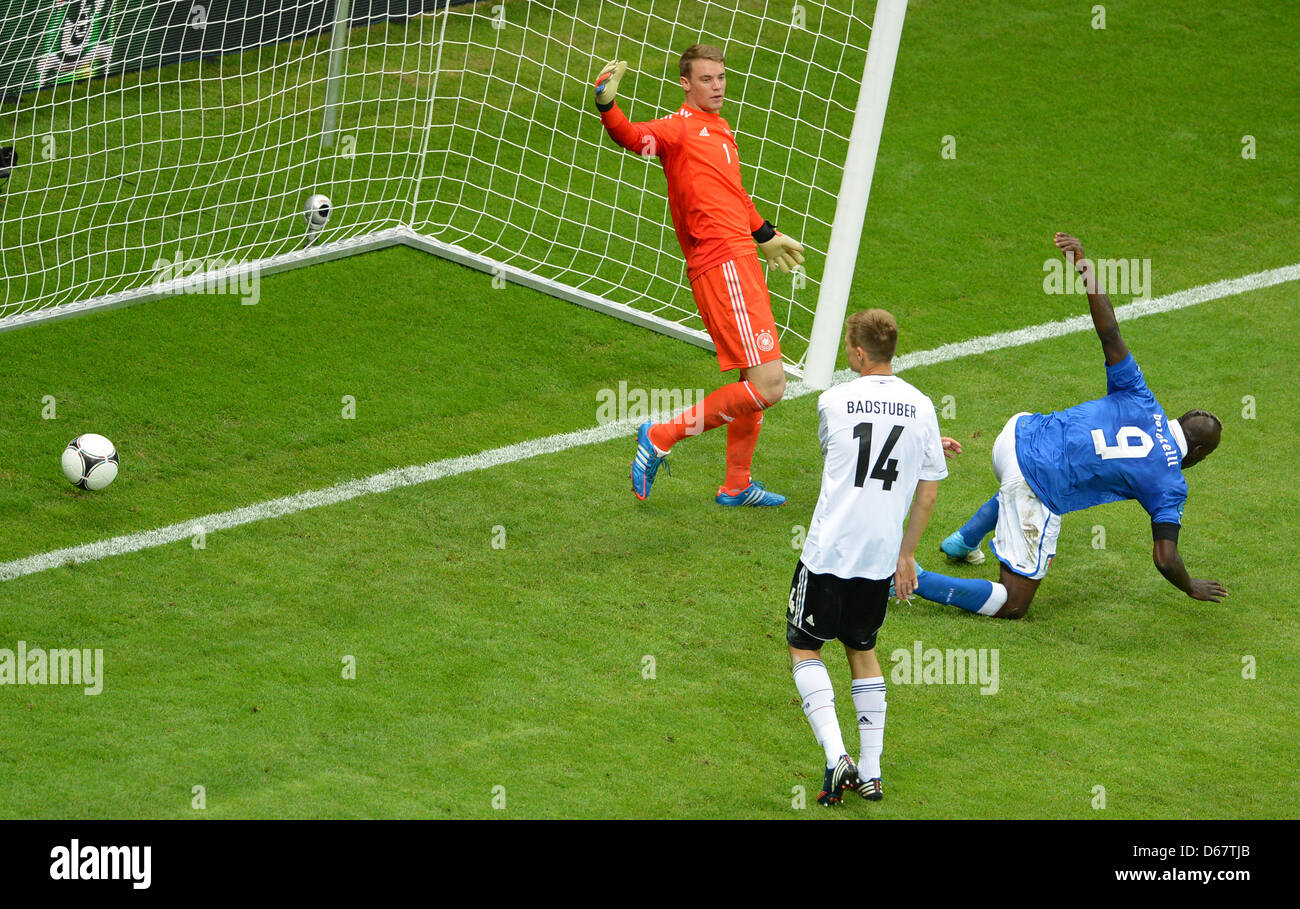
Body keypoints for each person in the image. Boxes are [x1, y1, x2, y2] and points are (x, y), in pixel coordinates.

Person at [911, 232, 1228, 619]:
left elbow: (1109, 330)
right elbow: (1165, 558)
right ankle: (910, 578)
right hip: (1029, 480)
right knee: (1013, 603)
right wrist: (1190, 585)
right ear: (1197, 454)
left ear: (1176, 419)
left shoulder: (1143, 397)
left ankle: (963, 541)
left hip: (1015, 433)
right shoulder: (1171, 485)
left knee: (1027, 482)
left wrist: (1085, 267)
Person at [593, 46, 805, 506]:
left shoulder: (722, 129)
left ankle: (737, 485)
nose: (718, 86)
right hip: (722, 263)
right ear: (686, 84)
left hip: (742, 258)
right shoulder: (678, 129)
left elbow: (735, 194)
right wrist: (607, 105)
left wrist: (765, 234)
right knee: (770, 386)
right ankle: (660, 435)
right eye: (708, 79)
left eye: (722, 77)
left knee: (753, 381)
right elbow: (632, 137)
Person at [787, 309, 957, 805]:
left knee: (805, 647)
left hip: (829, 551)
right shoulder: (923, 407)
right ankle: (873, 771)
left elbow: (843, 459)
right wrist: (907, 556)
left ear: (859, 353)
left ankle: (837, 753)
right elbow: (926, 494)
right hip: (881, 557)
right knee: (862, 649)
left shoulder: (833, 401)